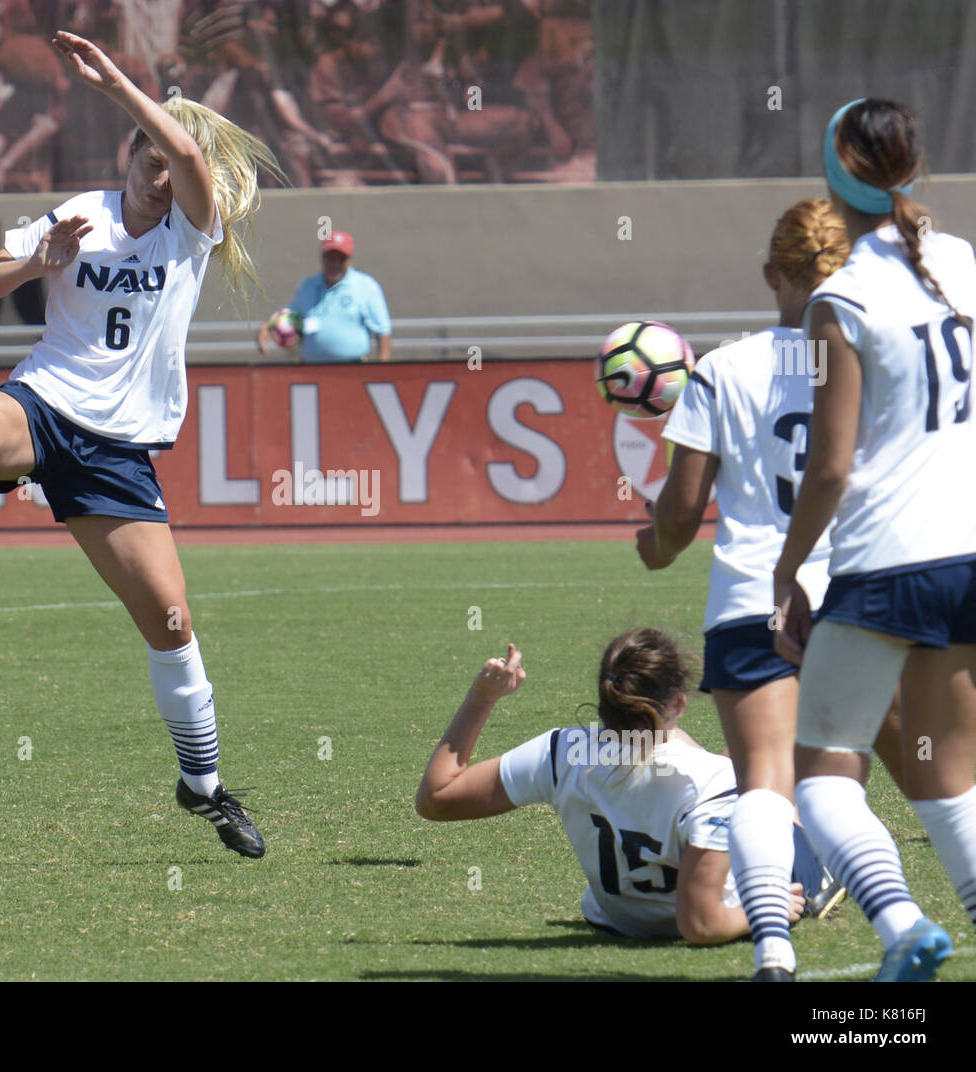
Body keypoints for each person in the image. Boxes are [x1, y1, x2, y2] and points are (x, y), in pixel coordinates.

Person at [0, 31, 283, 858]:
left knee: (173, 621)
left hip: (117, 453)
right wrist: (38, 258)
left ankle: (204, 787)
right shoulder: (80, 214)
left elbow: (185, 144)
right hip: (47, 402)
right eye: (146, 157)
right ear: (127, 154)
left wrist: (114, 80)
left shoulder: (192, 226)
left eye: (169, 160)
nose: (160, 171)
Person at [774, 97, 976, 982]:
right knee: (948, 783)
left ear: (831, 177)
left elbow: (829, 468)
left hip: (886, 560)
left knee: (820, 772)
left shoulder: (838, 297)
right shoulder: (964, 262)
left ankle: (899, 925)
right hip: (967, 553)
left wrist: (789, 572)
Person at [637, 199, 859, 979]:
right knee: (838, 787)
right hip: (856, 593)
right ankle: (891, 913)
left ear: (772, 273)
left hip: (750, 600)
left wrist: (652, 540)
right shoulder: (865, 361)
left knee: (764, 784)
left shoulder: (722, 369)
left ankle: (771, 944)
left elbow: (681, 517)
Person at [416, 634, 830, 944]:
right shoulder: (709, 781)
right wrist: (764, 909)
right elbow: (702, 925)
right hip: (710, 907)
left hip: (614, 918)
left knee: (724, 762)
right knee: (774, 768)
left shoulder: (563, 750)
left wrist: (482, 697)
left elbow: (436, 798)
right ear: (679, 703)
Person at [256, 230, 392, 362]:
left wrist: (383, 371)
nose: (335, 264)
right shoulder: (308, 286)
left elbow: (383, 331)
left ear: (349, 261)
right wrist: (268, 327)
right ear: (323, 258)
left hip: (353, 371)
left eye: (341, 259)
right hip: (312, 371)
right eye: (331, 258)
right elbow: (290, 315)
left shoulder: (366, 286)